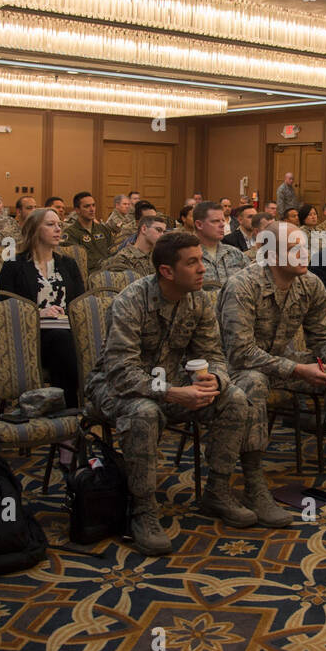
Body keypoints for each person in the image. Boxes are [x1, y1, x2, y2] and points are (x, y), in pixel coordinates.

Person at [89, 232, 255, 554]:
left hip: (171, 384)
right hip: (114, 387)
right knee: (144, 413)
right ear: (167, 271)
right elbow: (122, 372)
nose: (202, 269)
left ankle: (218, 492)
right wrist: (172, 393)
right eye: (192, 263)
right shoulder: (131, 301)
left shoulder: (198, 301)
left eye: (201, 260)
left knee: (233, 398)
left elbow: (215, 355)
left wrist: (216, 381)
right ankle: (143, 510)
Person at [220, 223, 326, 509]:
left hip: (280, 361)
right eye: (294, 250)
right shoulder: (243, 285)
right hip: (237, 368)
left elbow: (324, 335)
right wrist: (298, 369)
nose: (303, 255)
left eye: (304, 248)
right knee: (254, 381)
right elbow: (240, 353)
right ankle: (253, 481)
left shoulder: (310, 283)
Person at [0, 208, 85, 407]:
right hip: (30, 333)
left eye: (59, 225)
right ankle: (69, 411)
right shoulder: (14, 265)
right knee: (63, 341)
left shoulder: (68, 264)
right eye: (50, 224)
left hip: (67, 329)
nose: (58, 229)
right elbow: (3, 305)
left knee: (79, 339)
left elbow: (80, 303)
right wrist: (35, 313)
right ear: (34, 229)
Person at [193, 200, 247, 291]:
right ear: (199, 225)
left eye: (222, 220)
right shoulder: (188, 257)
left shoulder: (235, 253)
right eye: (216, 221)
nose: (222, 225)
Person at [60, 192, 114, 272]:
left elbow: (112, 251)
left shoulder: (103, 229)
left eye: (93, 205)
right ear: (77, 210)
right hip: (88, 273)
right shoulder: (70, 233)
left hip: (109, 271)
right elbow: (74, 261)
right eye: (87, 206)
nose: (92, 209)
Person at [103, 213, 168, 276]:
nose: (162, 235)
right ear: (144, 229)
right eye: (158, 230)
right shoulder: (124, 259)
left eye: (164, 232)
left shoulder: (157, 256)